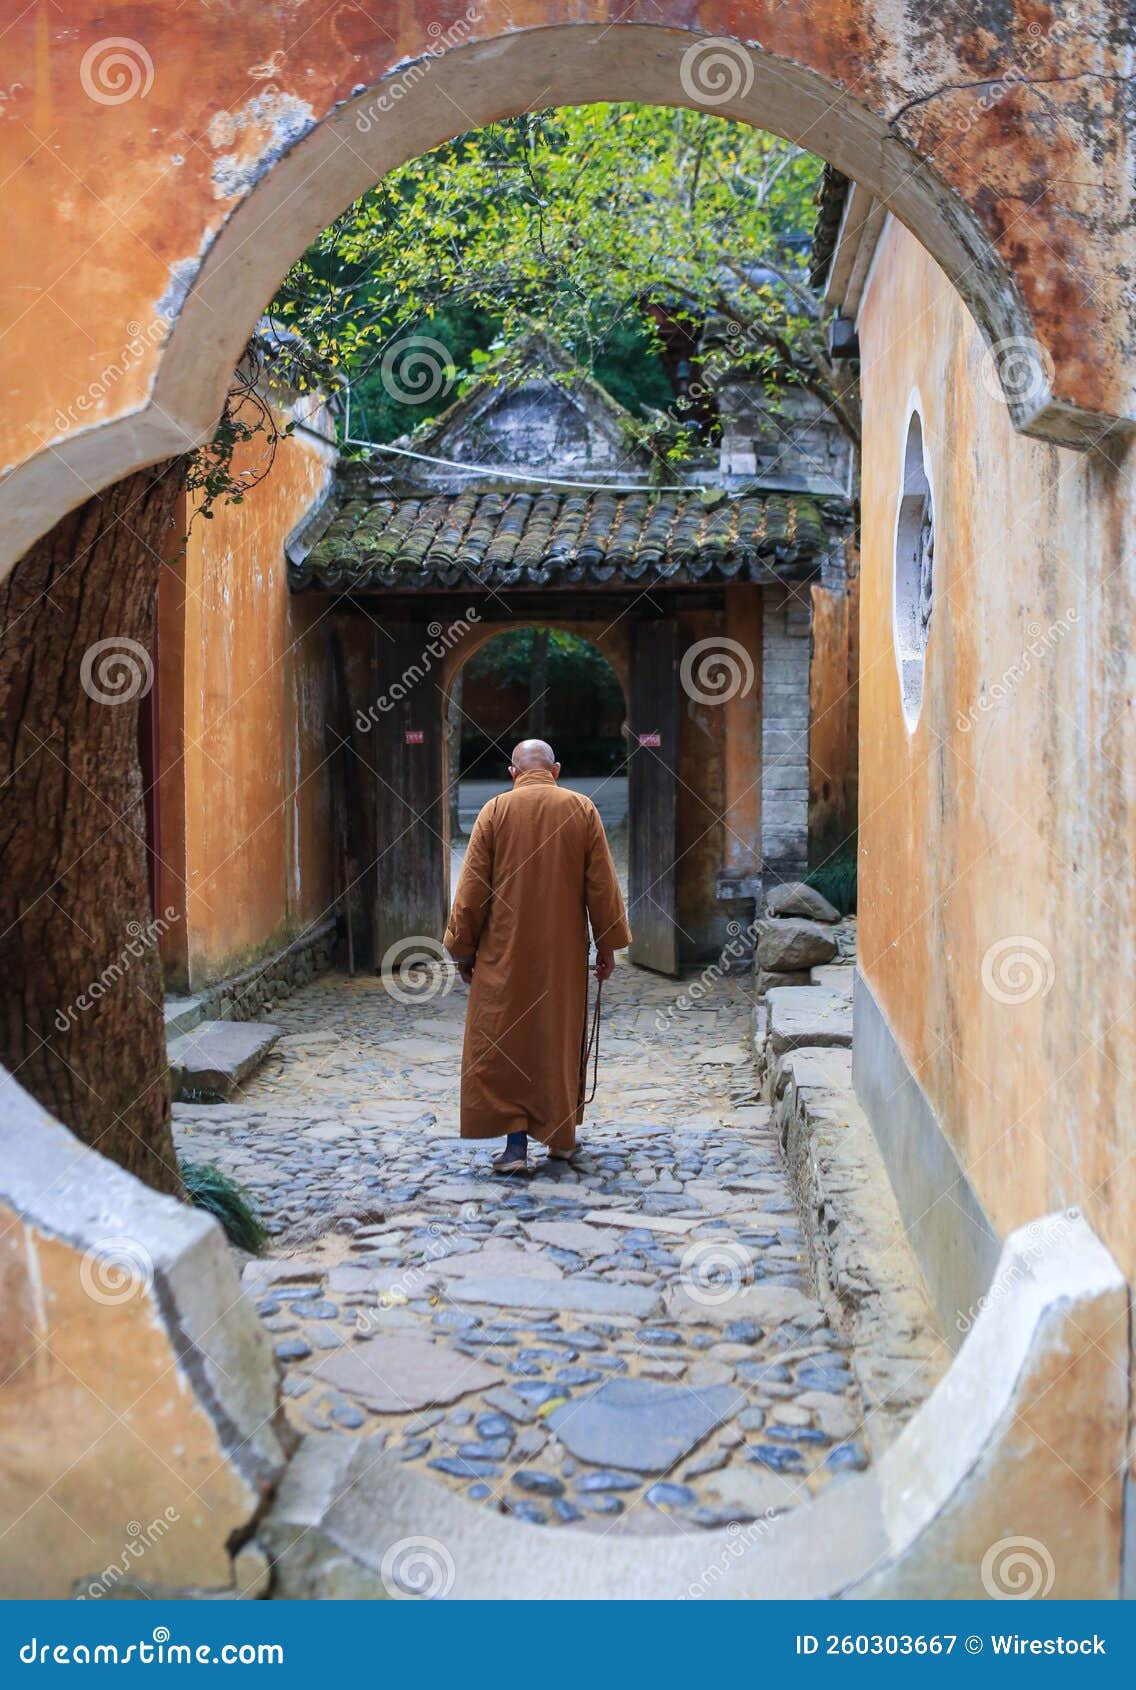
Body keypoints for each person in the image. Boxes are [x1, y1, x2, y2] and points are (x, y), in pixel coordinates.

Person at [444, 738, 631, 1174]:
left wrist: (463, 948)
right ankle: (561, 1141)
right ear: (557, 769)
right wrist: (606, 945)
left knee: (507, 1041)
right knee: (556, 1039)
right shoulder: (581, 809)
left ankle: (515, 1149)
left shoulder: (494, 812)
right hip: (562, 958)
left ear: (513, 773)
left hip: (502, 954)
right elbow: (601, 886)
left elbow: (472, 892)